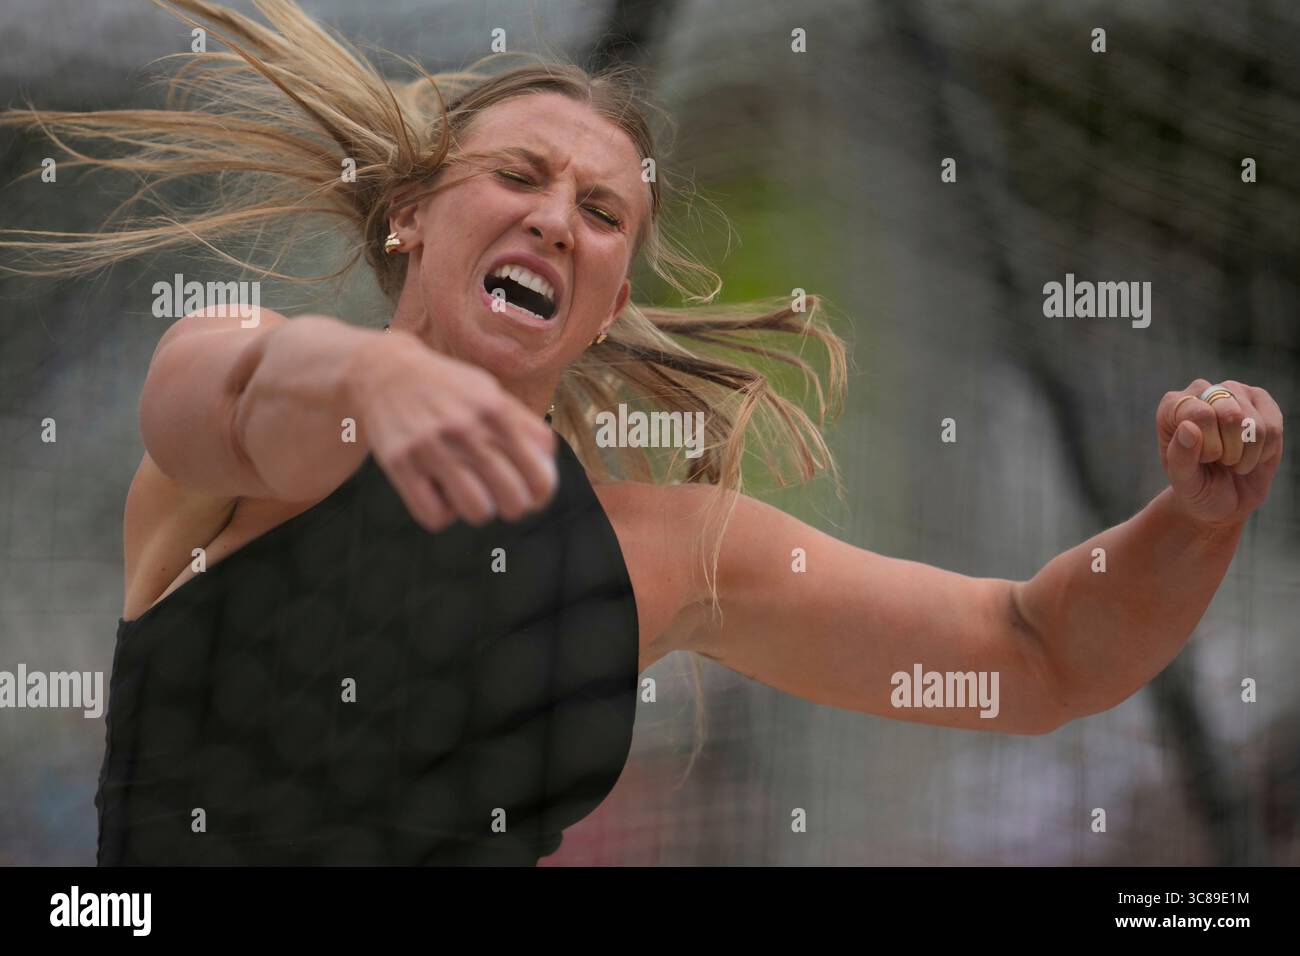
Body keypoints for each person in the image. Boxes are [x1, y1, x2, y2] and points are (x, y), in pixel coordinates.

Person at [0, 0, 1284, 865]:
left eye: (600, 212)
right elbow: (213, 393)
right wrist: (374, 384)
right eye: (516, 178)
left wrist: (1190, 521)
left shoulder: (663, 554)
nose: (556, 219)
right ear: (406, 218)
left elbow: (1033, 653)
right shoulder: (248, 383)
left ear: (611, 296)